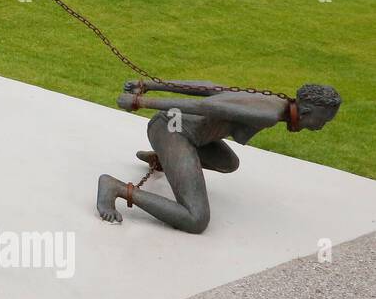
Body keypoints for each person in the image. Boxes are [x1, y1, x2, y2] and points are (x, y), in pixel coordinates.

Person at [96, 79, 341, 233]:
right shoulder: (268, 113)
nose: (323, 126)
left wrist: (148, 83)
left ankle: (164, 158)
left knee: (228, 163)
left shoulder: (277, 102)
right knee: (195, 219)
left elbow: (209, 87)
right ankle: (115, 187)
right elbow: (207, 106)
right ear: (307, 111)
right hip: (172, 130)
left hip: (187, 133)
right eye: (324, 121)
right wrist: (141, 100)